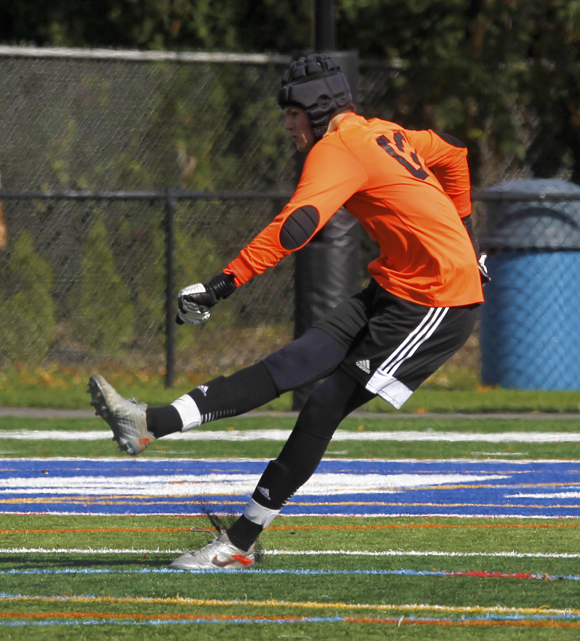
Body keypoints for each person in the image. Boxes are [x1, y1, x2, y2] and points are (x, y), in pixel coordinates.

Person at [88, 54, 488, 570]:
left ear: (318, 109)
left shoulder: (338, 148)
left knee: (323, 404)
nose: (287, 124)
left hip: (438, 298)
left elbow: (294, 226)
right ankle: (147, 423)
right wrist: (466, 234)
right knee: (292, 362)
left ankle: (238, 544)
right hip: (399, 285)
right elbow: (454, 153)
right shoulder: (382, 132)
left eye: (293, 113)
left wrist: (221, 285)